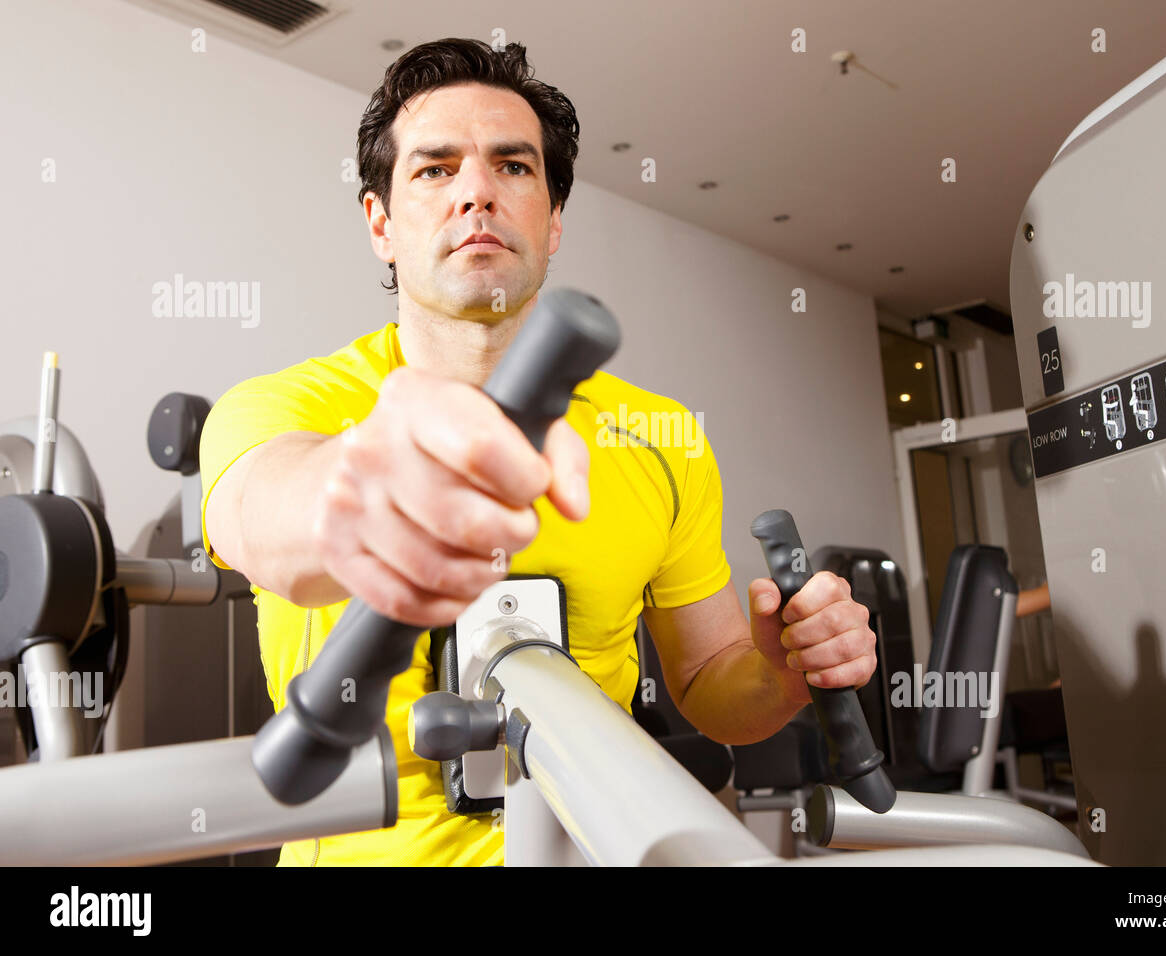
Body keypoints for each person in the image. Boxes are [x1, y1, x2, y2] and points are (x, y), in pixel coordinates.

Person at [199, 37, 876, 866]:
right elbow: (263, 518)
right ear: (381, 224)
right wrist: (364, 493)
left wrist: (779, 673)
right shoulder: (285, 407)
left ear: (553, 221)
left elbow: (709, 684)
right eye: (434, 168)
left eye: (513, 167)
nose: (477, 191)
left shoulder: (665, 439)